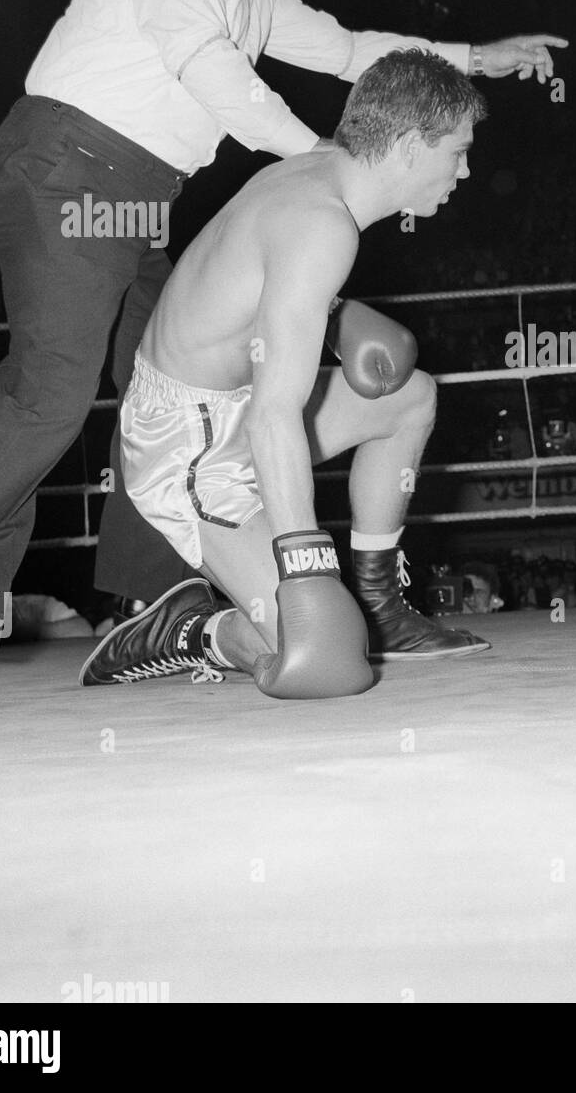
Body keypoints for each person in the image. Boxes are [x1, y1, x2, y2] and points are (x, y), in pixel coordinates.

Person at [0, 0, 564, 713]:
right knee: (50, 393)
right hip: (66, 167)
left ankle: (162, 613)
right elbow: (205, 66)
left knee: (171, 378)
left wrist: (476, 58)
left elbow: (349, 51)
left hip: (134, 196)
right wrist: (326, 177)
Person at [77, 49, 492, 699]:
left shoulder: (319, 169)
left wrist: (333, 315)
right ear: (411, 145)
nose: (466, 170)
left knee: (411, 398)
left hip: (230, 410)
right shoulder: (324, 227)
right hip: (189, 451)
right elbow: (276, 412)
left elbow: (258, 282)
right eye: (458, 152)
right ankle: (189, 630)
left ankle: (383, 605)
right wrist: (305, 565)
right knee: (313, 652)